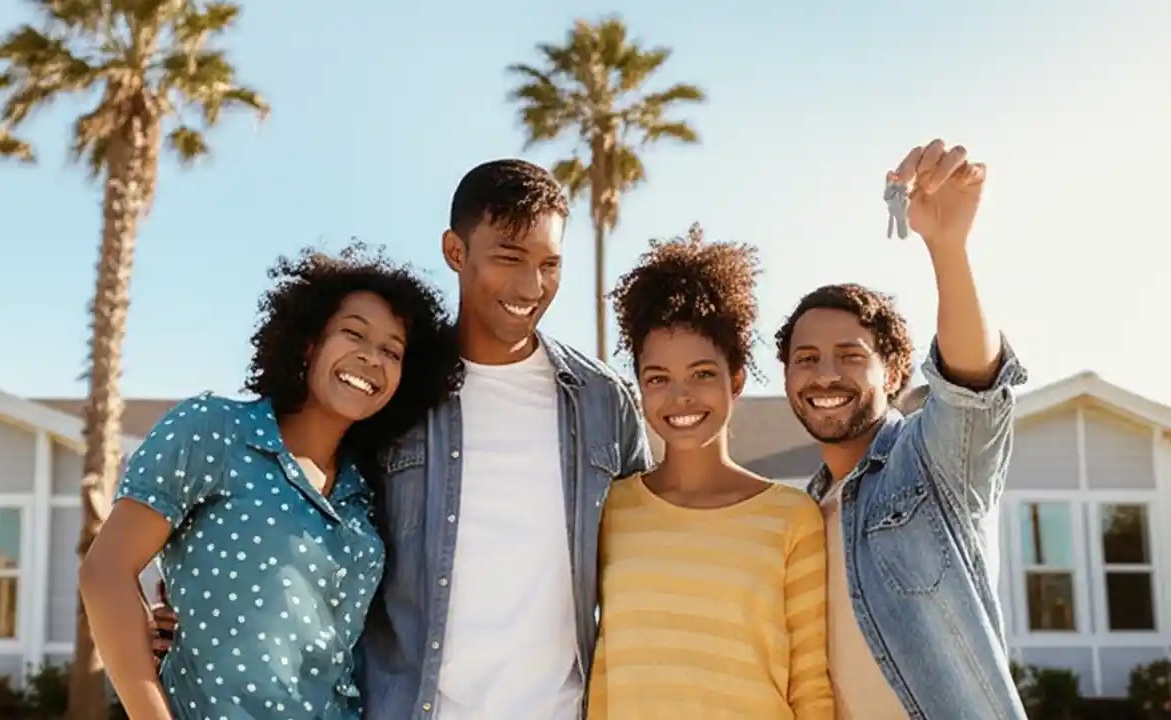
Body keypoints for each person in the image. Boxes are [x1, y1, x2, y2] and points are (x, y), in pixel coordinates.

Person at [150, 159, 651, 719]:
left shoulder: (605, 402)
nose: (531, 285)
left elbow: (647, 561)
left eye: (549, 264)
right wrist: (197, 614)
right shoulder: (392, 386)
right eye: (508, 257)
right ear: (456, 252)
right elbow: (295, 509)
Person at [80, 245, 462, 720]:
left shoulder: (367, 494)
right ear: (308, 344)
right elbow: (105, 572)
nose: (371, 358)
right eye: (353, 334)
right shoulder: (214, 431)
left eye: (392, 350)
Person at [773, 139, 1028, 719]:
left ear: (893, 370)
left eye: (849, 354)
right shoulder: (796, 519)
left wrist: (948, 247)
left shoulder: (929, 464)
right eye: (806, 358)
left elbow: (973, 389)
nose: (825, 374)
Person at [590, 231, 833, 719]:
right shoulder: (610, 509)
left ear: (736, 380)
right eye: (658, 378)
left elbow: (810, 687)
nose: (680, 396)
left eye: (702, 373)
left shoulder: (792, 518)